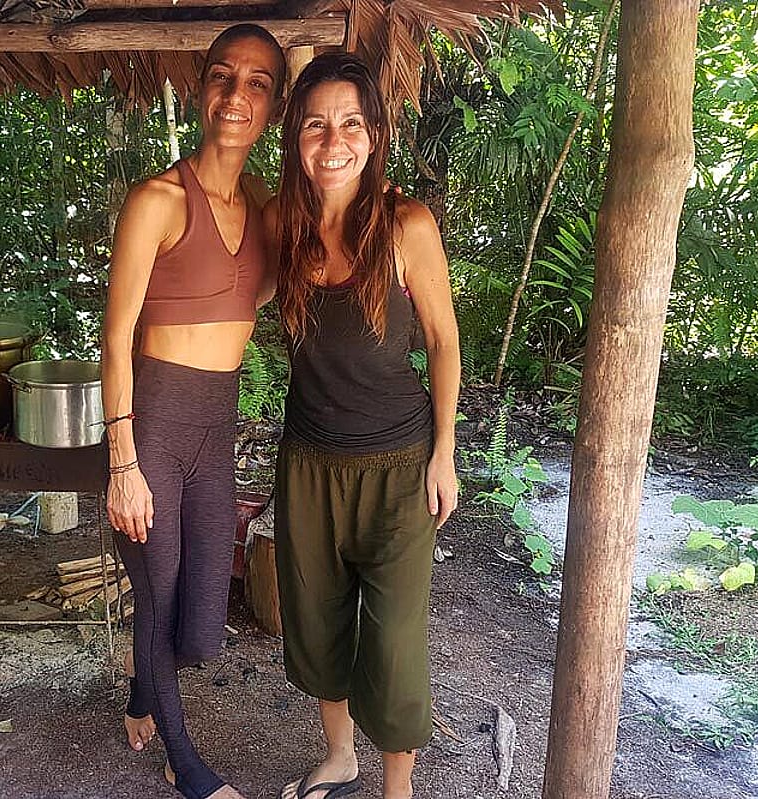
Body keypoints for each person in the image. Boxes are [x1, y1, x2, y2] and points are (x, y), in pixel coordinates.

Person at [261, 52, 461, 799]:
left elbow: (443, 341)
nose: (332, 139)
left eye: (349, 122)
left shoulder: (407, 225)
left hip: (400, 463)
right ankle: (340, 753)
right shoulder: (282, 223)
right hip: (310, 461)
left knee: (395, 642)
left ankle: (396, 790)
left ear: (374, 135)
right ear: (296, 139)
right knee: (315, 622)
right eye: (316, 124)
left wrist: (445, 453)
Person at [100, 23, 286, 799]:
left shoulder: (268, 210)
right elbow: (111, 338)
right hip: (153, 421)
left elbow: (260, 291)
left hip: (218, 421)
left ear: (272, 107)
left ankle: (146, 691)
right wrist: (122, 461)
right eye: (222, 76)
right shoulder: (158, 199)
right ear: (201, 87)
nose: (236, 95)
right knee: (158, 586)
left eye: (257, 83)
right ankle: (185, 760)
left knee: (204, 608)